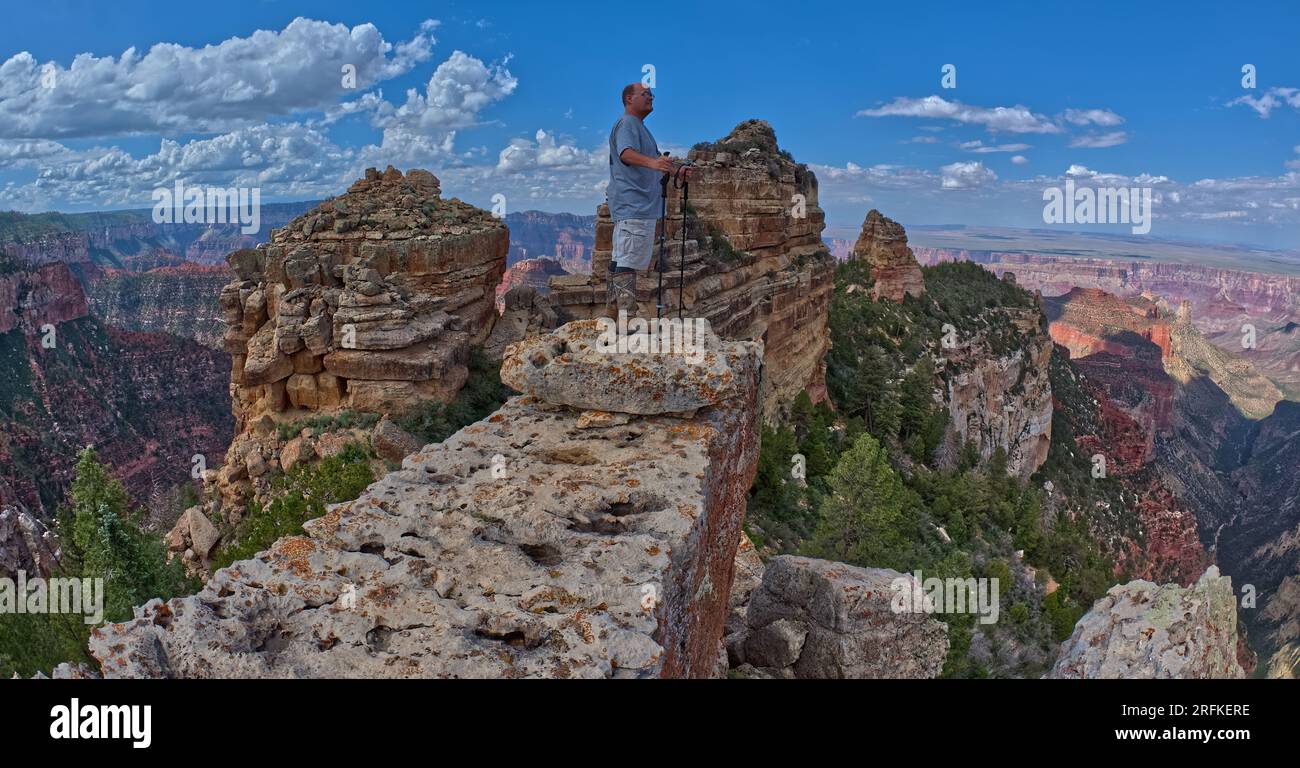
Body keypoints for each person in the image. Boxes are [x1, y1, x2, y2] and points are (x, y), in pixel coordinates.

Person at [606, 82, 692, 316]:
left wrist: (677, 172)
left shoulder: (639, 127)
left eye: (652, 94)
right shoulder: (628, 124)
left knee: (620, 258)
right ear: (628, 99)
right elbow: (626, 154)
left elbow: (657, 161)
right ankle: (626, 317)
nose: (651, 97)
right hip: (635, 203)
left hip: (633, 205)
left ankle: (611, 313)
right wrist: (653, 163)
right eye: (645, 94)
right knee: (627, 262)